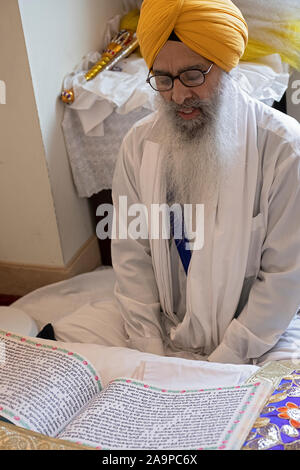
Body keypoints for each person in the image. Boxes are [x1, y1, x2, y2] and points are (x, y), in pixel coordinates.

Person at [111, 0, 300, 365]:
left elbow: (284, 277)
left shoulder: (284, 149)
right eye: (163, 79)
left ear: (226, 66)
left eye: (194, 75)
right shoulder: (137, 146)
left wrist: (221, 362)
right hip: (164, 332)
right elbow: (131, 255)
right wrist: (154, 356)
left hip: (258, 339)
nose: (179, 96)